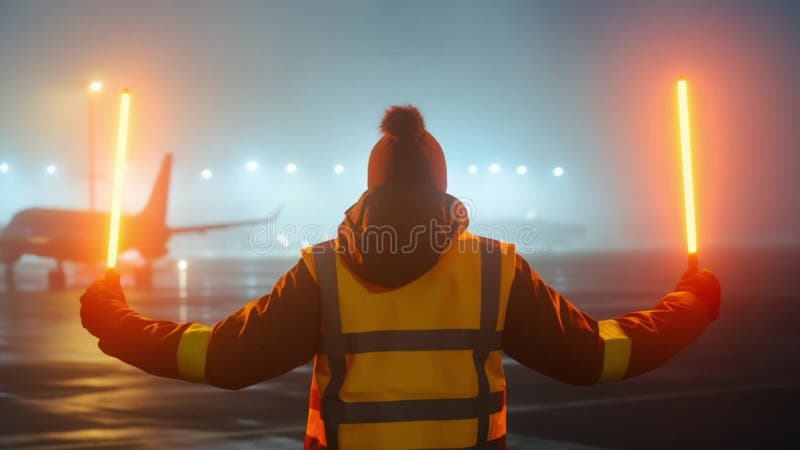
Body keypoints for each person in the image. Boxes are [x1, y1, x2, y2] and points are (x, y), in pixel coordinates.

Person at [80, 105, 721, 450]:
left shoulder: (322, 271)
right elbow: (597, 357)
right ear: (442, 184)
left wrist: (115, 319)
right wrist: (689, 302)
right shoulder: (496, 268)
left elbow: (218, 357)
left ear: (370, 185)